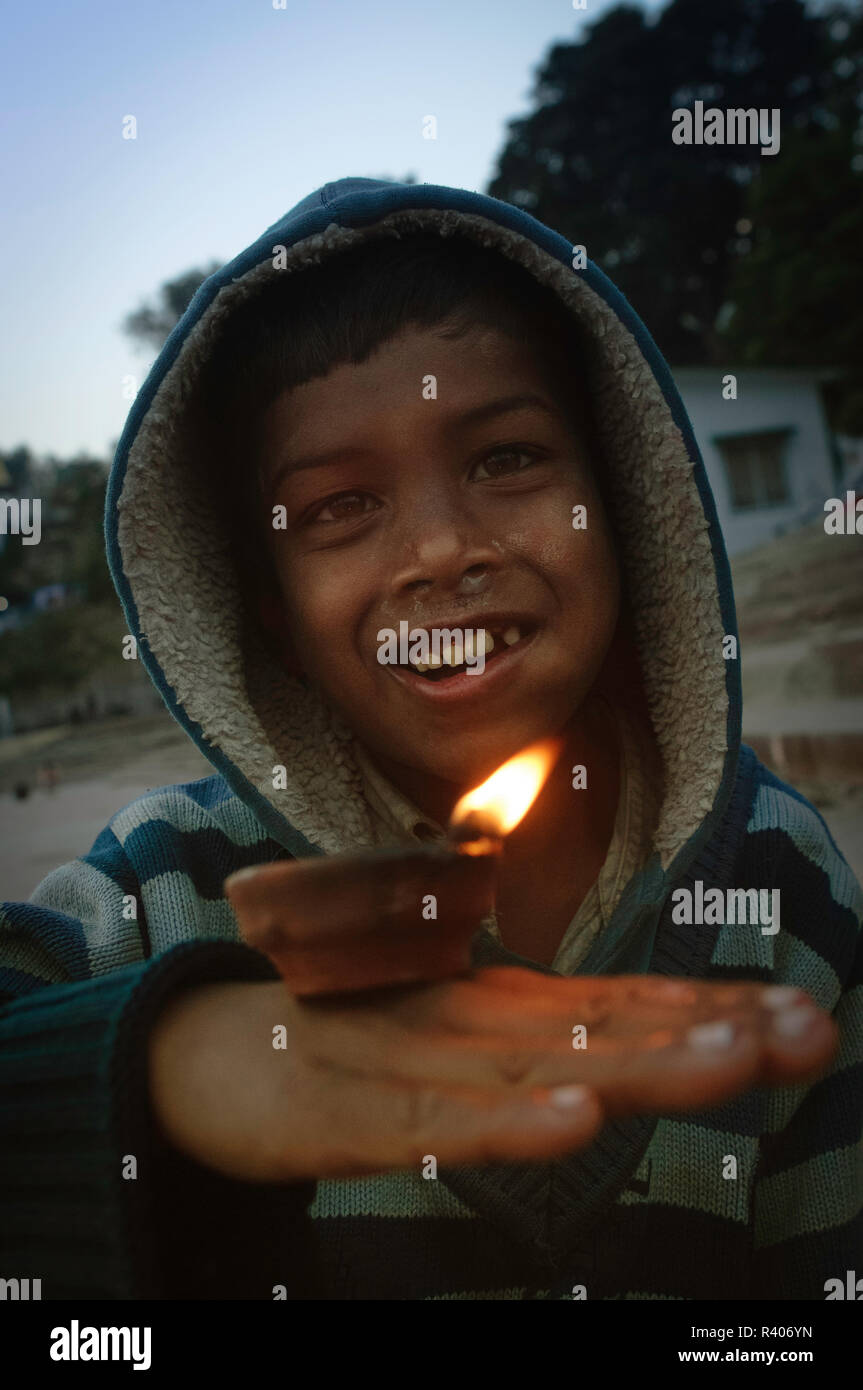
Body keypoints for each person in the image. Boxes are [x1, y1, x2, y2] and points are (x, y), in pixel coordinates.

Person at [0, 178, 858, 1301]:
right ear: (273, 616)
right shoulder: (158, 894)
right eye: (337, 508)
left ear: (627, 503)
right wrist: (158, 1062)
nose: (442, 548)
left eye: (505, 457)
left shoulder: (774, 875)